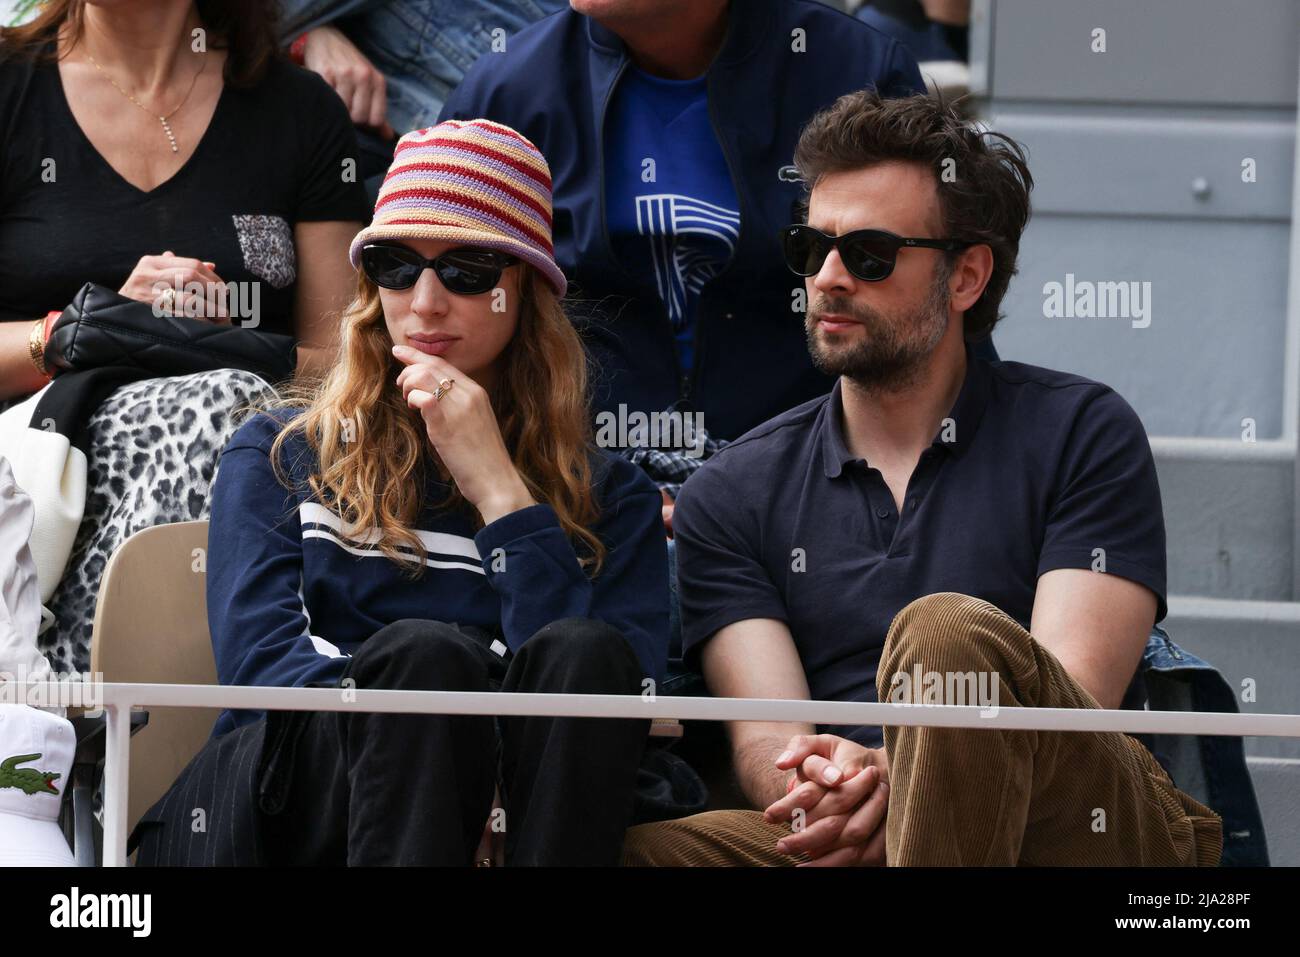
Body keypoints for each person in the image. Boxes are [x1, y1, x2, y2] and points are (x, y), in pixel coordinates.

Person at [621, 90, 1223, 866]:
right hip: (844, 828)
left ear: (967, 275)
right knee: (638, 850)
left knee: (946, 631)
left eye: (869, 253)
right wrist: (835, 786)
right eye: (813, 246)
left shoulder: (1081, 431)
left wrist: (904, 776)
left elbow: (1073, 711)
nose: (829, 277)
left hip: (1067, 824)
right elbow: (770, 734)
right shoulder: (730, 491)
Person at [130, 118, 671, 867]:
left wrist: (501, 493)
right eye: (394, 264)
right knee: (422, 661)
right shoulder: (283, 452)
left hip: (522, 818)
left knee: (582, 651)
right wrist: (444, 766)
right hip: (294, 802)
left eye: (467, 270)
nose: (424, 301)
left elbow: (608, 713)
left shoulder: (619, 497)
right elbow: (264, 674)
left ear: (528, 290)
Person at [0, 0, 368, 670]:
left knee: (226, 408)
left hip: (245, 452)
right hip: (33, 455)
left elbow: (345, 369)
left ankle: (137, 739)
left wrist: (210, 342)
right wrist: (74, 332)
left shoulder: (298, 111)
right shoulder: (11, 84)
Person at [439, 0, 930, 473]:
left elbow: (927, 292)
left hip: (807, 473)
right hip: (574, 475)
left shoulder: (855, 70)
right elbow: (428, 293)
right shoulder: (507, 87)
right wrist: (584, 487)